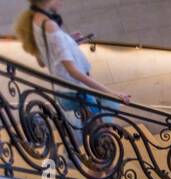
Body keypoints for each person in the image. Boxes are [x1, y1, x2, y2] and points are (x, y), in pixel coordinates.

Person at [14, 1, 132, 141]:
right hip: (76, 90)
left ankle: (86, 154)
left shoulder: (34, 20)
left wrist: (69, 41)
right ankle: (94, 157)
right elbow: (72, 71)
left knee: (97, 128)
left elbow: (43, 61)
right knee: (105, 123)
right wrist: (113, 93)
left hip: (66, 90)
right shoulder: (50, 26)